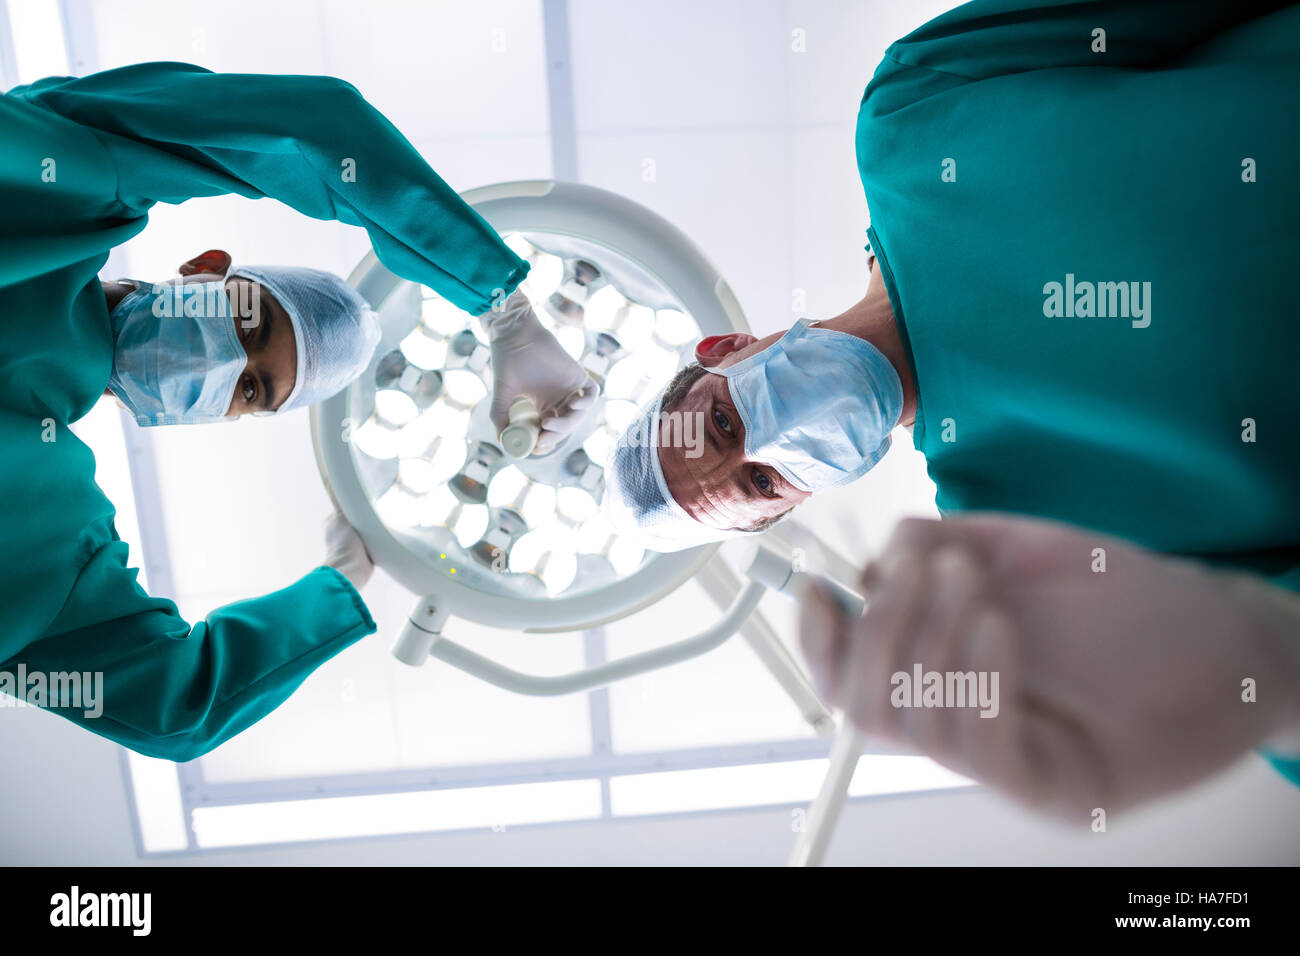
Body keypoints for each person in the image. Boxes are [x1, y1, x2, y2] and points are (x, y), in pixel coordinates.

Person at [603, 0, 1300, 810]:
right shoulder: (1028, 543)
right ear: (794, 502)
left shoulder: (916, 116)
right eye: (761, 481)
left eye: (725, 421)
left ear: (725, 348)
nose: (775, 437)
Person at [0, 62, 593, 760]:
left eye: (252, 390)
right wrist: (504, 310)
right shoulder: (64, 190)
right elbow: (306, 128)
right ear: (205, 267)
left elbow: (177, 701)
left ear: (224, 423)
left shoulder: (52, 548)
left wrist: (340, 581)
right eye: (248, 326)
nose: (223, 366)